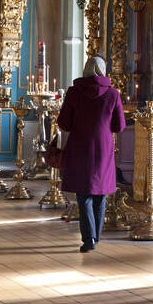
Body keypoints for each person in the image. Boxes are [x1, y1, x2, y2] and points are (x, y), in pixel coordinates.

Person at [57, 55, 125, 252]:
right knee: (100, 194)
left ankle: (89, 238)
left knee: (83, 193)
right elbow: (119, 126)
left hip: (80, 146)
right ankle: (97, 235)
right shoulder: (113, 94)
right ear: (103, 70)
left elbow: (64, 123)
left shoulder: (73, 93)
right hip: (103, 147)